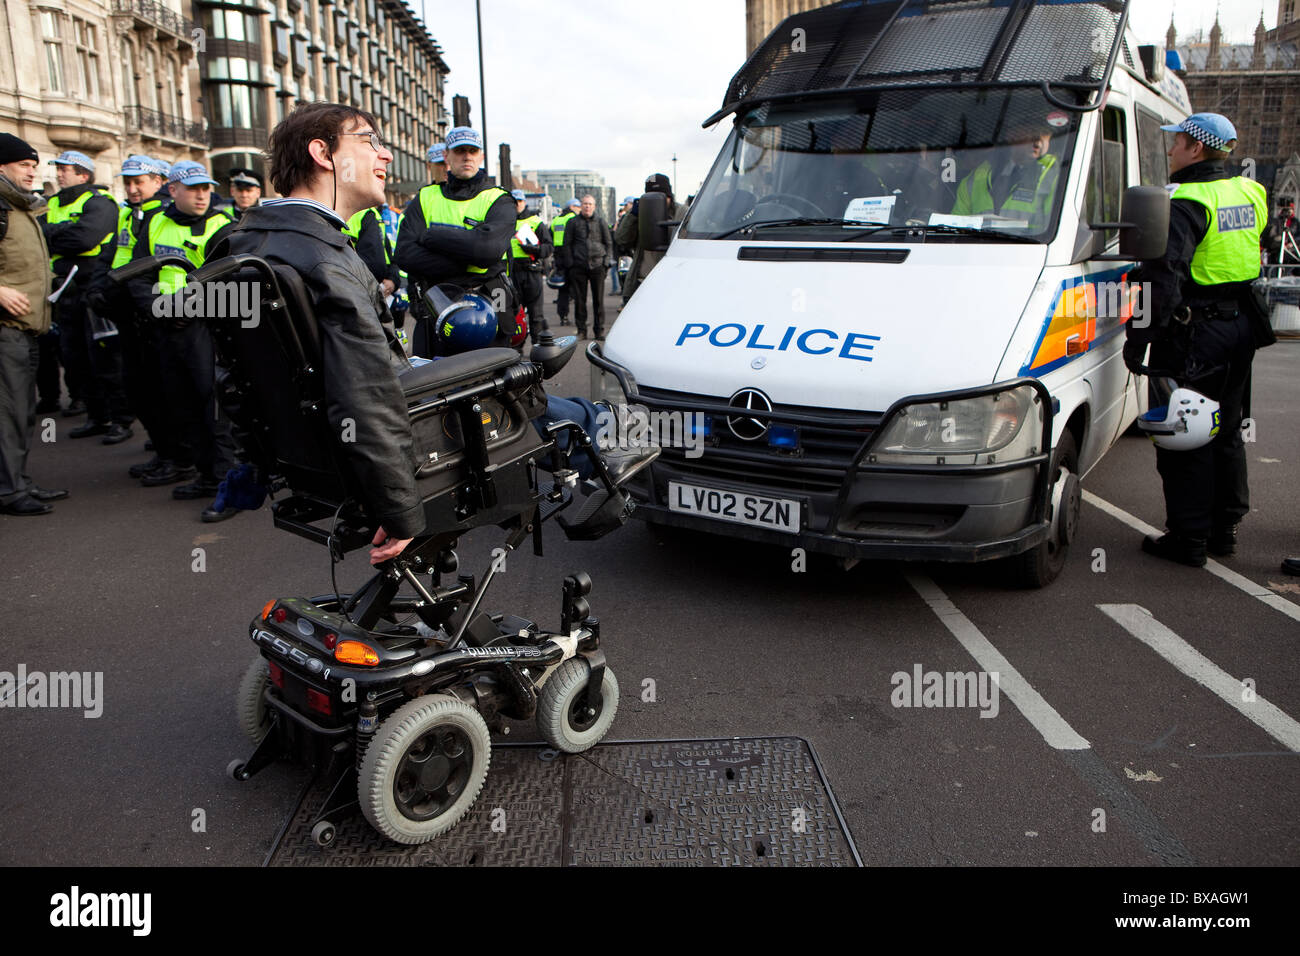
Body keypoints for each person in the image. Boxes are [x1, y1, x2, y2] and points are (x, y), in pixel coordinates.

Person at [219, 103, 425, 563]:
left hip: (310, 459)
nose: (385, 154)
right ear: (324, 154)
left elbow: (234, 379)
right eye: (370, 141)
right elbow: (366, 396)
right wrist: (402, 510)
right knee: (559, 409)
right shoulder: (326, 259)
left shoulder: (239, 243)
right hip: (401, 433)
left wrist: (252, 463)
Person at [1122, 113, 1268, 567]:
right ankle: (1224, 529)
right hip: (1241, 322)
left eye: (1178, 142)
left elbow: (1163, 279)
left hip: (1195, 330)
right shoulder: (1250, 191)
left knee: (1186, 433)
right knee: (1225, 427)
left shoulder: (1184, 201)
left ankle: (1188, 539)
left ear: (1197, 149)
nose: (1171, 150)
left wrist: (1140, 336)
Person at [124, 161, 239, 522]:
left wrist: (194, 308)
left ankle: (228, 487)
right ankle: (205, 475)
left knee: (216, 409)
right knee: (182, 403)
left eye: (206, 188)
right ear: (172, 190)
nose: (202, 194)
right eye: (193, 188)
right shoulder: (155, 222)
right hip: (167, 328)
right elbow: (137, 276)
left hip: (209, 330)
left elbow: (238, 284)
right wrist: (161, 309)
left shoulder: (225, 226)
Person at [393, 126, 517, 358]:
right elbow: (404, 254)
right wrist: (467, 261)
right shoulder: (426, 197)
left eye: (472, 151)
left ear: (481, 156)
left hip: (491, 305)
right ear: (447, 156)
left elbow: (487, 250)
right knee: (436, 385)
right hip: (436, 308)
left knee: (491, 385)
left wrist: (432, 236)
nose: (467, 156)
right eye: (460, 151)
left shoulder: (498, 199)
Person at [90, 155, 173, 471]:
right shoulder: (127, 214)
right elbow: (108, 255)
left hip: (154, 314)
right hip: (127, 313)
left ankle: (174, 454)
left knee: (161, 389)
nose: (133, 188)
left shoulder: (163, 215)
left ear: (158, 182)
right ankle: (164, 448)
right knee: (138, 386)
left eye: (139, 181)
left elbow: (145, 271)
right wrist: (97, 291)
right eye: (128, 182)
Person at [0, 132, 67, 516]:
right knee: (8, 414)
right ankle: (10, 491)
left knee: (23, 410)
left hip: (27, 327)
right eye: (24, 165)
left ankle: (18, 482)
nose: (32, 172)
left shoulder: (20, 206)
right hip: (6, 329)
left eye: (33, 165)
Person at [41, 150, 121, 438]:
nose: (60, 173)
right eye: (58, 168)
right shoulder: (49, 202)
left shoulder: (99, 202)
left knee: (102, 357)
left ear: (84, 174)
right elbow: (39, 235)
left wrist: (53, 234)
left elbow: (85, 237)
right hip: (63, 289)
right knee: (73, 356)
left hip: (92, 288)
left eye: (66, 169)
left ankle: (118, 419)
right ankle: (96, 417)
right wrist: (59, 233)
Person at [951, 121, 1059, 229]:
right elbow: (955, 229)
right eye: (1032, 132)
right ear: (1011, 134)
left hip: (1034, 245)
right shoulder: (976, 178)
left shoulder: (1055, 175)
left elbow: (1059, 229)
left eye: (1045, 134)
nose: (1038, 142)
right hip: (979, 244)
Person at [616, 174, 686, 303]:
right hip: (643, 279)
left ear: (668, 195)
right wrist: (632, 217)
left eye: (660, 196)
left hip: (672, 280)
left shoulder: (682, 213)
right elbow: (621, 239)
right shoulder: (641, 214)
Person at [562, 195, 613, 340]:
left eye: (590, 204)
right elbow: (566, 244)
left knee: (599, 301)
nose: (587, 206)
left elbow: (609, 243)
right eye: (585, 204)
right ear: (581, 206)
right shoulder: (572, 222)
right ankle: (581, 330)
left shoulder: (601, 222)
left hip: (598, 265)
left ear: (594, 206)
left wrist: (606, 261)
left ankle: (599, 331)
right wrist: (570, 263)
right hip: (578, 266)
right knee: (579, 300)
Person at [507, 189, 552, 346]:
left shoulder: (536, 222)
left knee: (536, 315)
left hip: (531, 272)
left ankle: (537, 348)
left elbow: (548, 248)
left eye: (519, 201)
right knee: (513, 314)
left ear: (524, 202)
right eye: (513, 202)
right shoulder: (505, 221)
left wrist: (533, 250)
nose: (516, 205)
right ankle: (516, 350)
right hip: (511, 273)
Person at [344, 202, 399, 296]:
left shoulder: (374, 214)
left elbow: (388, 255)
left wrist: (393, 280)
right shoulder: (359, 214)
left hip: (380, 291)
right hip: (357, 292)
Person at [550, 198, 580, 323]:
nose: (579, 209)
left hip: (558, 256)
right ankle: (579, 319)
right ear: (572, 207)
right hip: (571, 256)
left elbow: (551, 235)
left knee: (563, 289)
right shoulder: (572, 218)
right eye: (578, 206)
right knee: (577, 288)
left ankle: (563, 316)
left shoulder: (556, 220)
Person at [1262, 197, 1298, 264]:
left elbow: (1298, 236)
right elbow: (1271, 237)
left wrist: (1292, 244)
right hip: (1277, 253)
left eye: (1290, 209)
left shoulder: (1296, 222)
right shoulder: (1275, 222)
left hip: (1291, 253)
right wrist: (1280, 244)